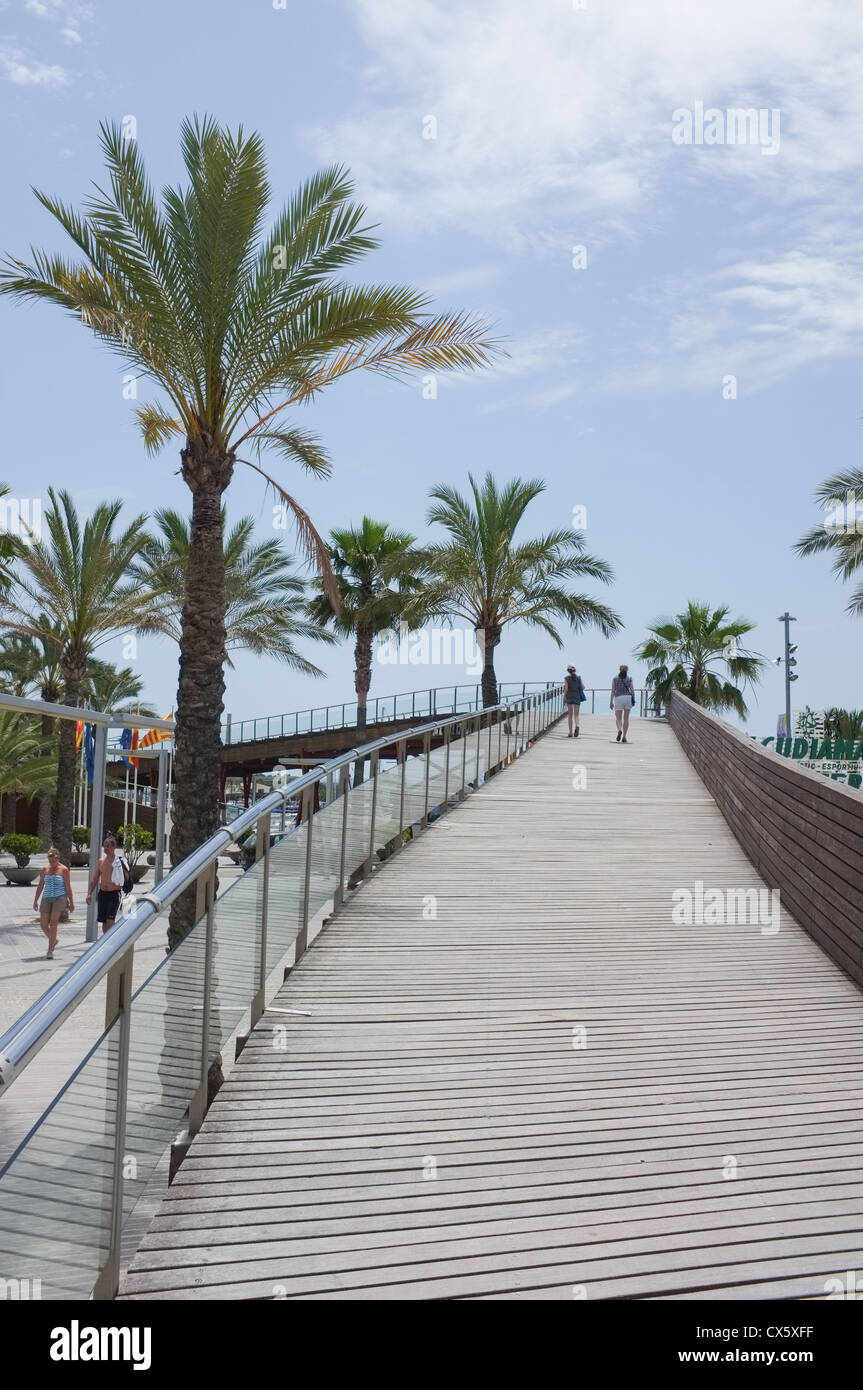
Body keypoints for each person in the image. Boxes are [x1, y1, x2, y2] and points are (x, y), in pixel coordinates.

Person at [33, 847, 74, 960]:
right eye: (49, 859)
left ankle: (50, 950)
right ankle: (54, 940)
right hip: (46, 897)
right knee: (43, 924)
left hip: (59, 898)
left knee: (53, 922)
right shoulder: (45, 869)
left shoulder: (64, 869)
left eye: (53, 859)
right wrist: (35, 900)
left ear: (58, 857)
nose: (51, 862)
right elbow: (40, 885)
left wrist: (71, 903)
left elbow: (68, 887)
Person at [86, 833, 130, 933]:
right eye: (105, 846)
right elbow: (95, 879)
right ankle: (105, 943)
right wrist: (89, 893)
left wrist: (122, 871)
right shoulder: (101, 861)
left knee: (110, 921)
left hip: (114, 895)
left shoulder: (119, 861)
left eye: (108, 846)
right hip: (102, 894)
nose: (106, 848)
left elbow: (127, 877)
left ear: (114, 847)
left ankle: (112, 941)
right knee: (104, 922)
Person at [610, 664, 635, 743]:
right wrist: (633, 699)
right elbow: (632, 690)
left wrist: (611, 701)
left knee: (618, 718)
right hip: (627, 698)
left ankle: (619, 730)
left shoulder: (615, 679)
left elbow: (613, 691)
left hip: (618, 698)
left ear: (619, 670)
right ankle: (624, 736)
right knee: (626, 719)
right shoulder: (629, 678)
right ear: (627, 670)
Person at [564, 664, 587, 736]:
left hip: (569, 697)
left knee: (570, 715)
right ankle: (577, 725)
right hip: (577, 697)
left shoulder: (566, 678)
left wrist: (564, 697)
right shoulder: (579, 678)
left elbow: (566, 689)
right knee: (576, 715)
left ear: (568, 671)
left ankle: (570, 732)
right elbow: (583, 687)